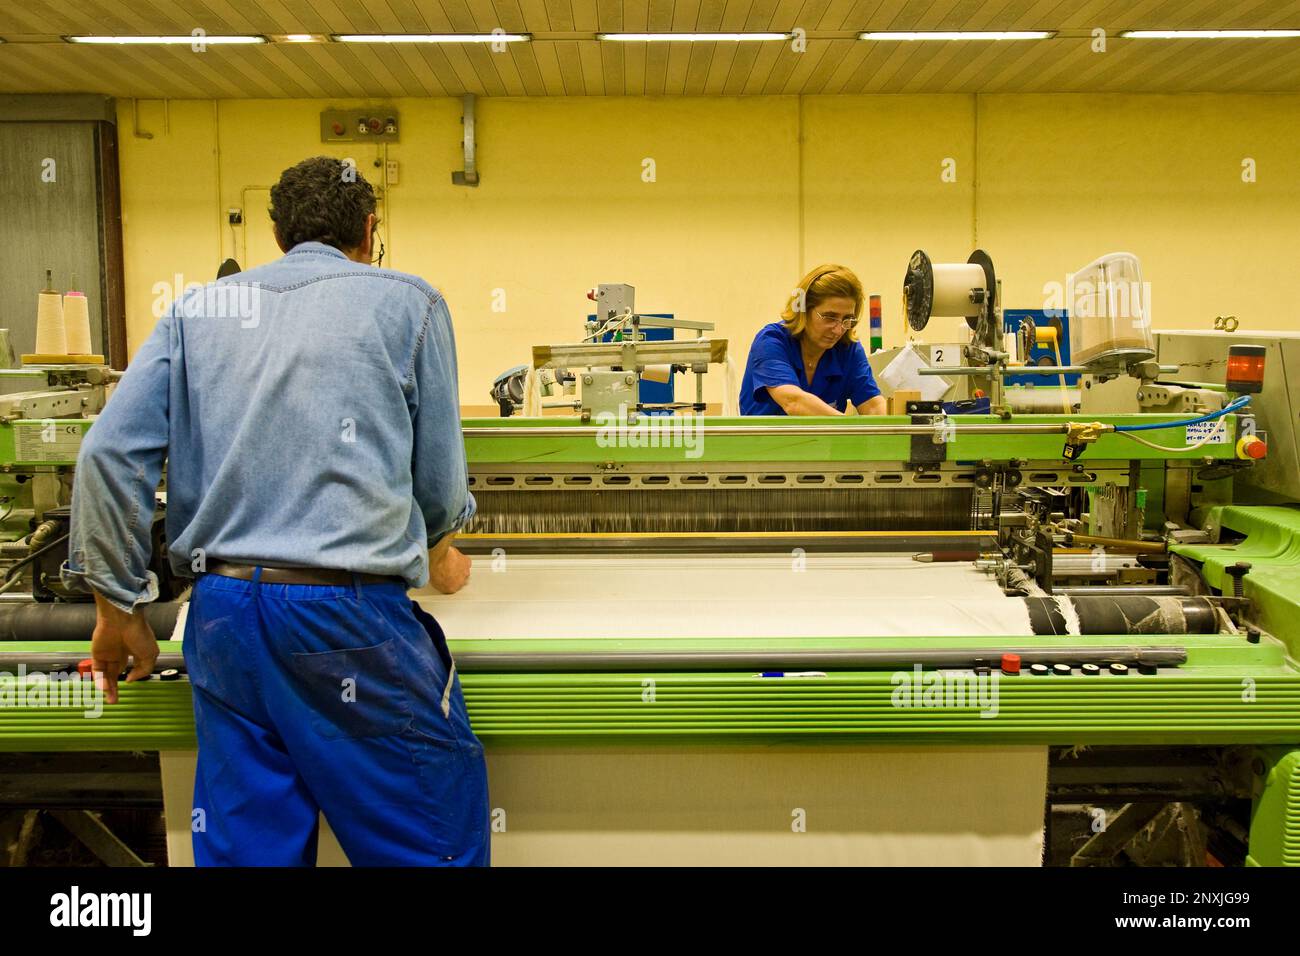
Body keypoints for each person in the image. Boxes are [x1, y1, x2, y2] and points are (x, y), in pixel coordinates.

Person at [61, 155, 489, 866]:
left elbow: (107, 454)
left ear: (276, 229)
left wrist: (118, 606)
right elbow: (439, 485)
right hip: (346, 619)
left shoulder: (197, 310)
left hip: (223, 619)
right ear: (371, 229)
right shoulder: (410, 302)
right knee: (430, 840)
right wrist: (438, 547)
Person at [740, 264, 886, 416]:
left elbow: (873, 406)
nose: (838, 330)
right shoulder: (770, 342)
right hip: (765, 440)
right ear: (804, 310)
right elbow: (794, 402)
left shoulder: (848, 349)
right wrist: (849, 428)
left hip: (826, 440)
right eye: (830, 317)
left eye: (847, 319)